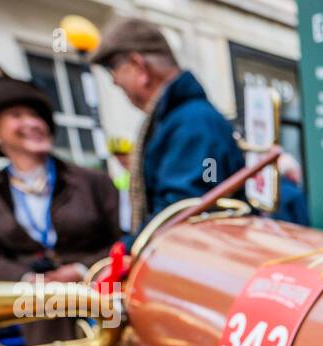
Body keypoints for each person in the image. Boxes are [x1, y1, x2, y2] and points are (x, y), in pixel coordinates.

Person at [0, 74, 121, 346]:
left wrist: (79, 269)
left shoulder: (93, 182)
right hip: (41, 318)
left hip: (101, 309)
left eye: (36, 116)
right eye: (17, 116)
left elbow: (125, 242)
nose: (32, 124)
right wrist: (33, 281)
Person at [92, 17, 245, 233]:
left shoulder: (193, 122)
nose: (116, 82)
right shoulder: (180, 119)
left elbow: (179, 212)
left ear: (139, 66)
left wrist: (129, 250)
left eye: (114, 72)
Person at [273, 152, 310, 227]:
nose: (300, 173)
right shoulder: (296, 194)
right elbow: (304, 223)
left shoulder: (272, 191)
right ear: (290, 172)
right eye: (297, 170)